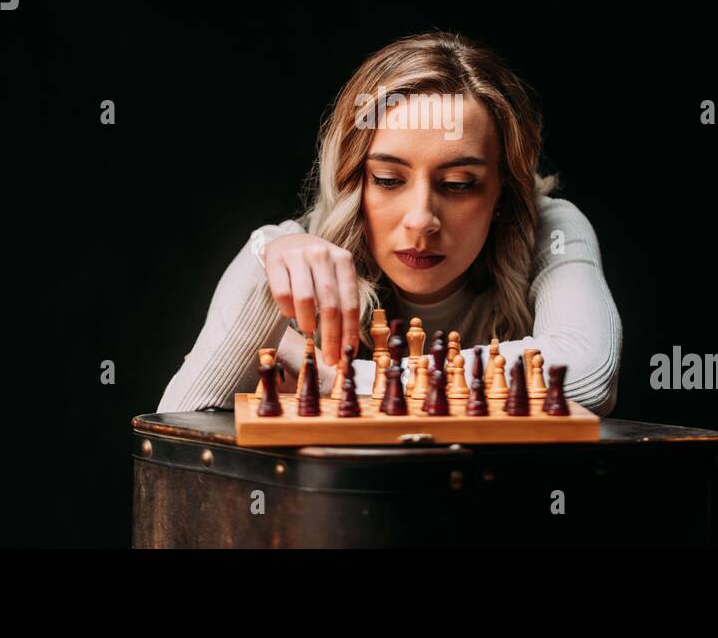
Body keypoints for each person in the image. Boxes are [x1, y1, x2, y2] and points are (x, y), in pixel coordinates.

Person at [156, 31, 622, 416]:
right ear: (353, 182)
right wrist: (263, 257)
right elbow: (177, 433)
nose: (421, 220)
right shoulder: (291, 260)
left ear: (502, 191)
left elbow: (586, 375)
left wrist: (329, 378)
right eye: (387, 179)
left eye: (459, 183)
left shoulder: (553, 229)